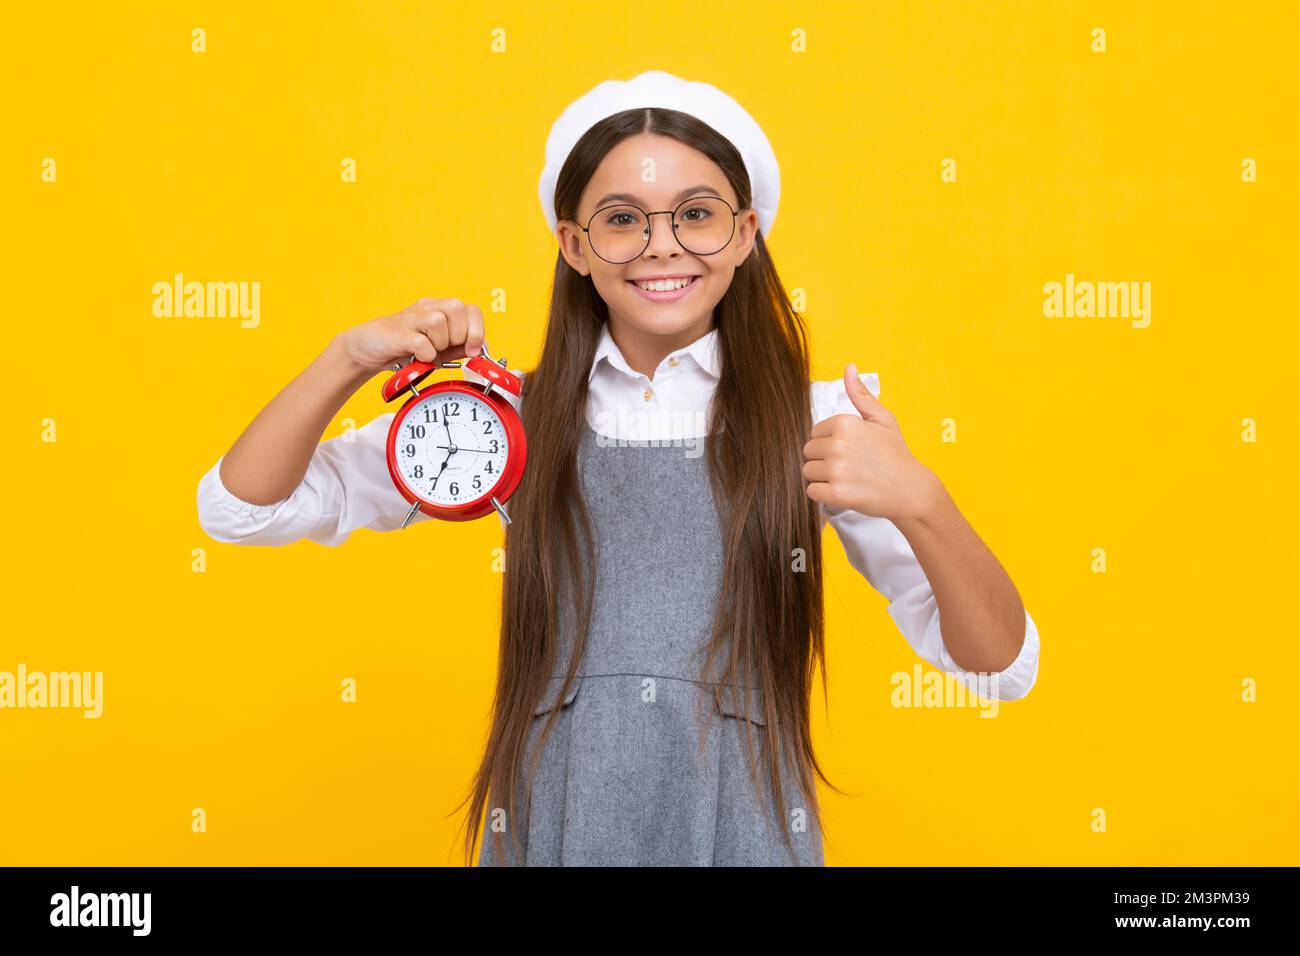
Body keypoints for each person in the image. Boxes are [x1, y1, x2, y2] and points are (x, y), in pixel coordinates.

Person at [196, 70, 1041, 866]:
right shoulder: (500, 424)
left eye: (697, 214)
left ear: (745, 234)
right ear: (574, 243)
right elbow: (242, 508)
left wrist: (924, 502)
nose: (660, 247)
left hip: (740, 825)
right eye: (623, 218)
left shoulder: (818, 424)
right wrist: (347, 357)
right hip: (554, 820)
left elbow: (1000, 667)